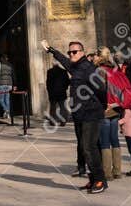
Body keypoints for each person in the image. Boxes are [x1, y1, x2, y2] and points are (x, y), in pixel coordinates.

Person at [43, 39, 107, 193]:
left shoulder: (89, 68)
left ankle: (100, 181)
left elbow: (101, 89)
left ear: (82, 52)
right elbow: (63, 60)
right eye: (70, 52)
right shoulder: (75, 67)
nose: (71, 54)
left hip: (91, 114)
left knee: (89, 147)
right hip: (79, 114)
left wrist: (103, 107)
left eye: (75, 51)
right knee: (84, 148)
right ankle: (92, 180)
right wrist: (50, 50)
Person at [96, 47, 128, 180]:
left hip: (105, 108)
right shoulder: (115, 69)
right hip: (116, 108)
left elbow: (99, 90)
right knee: (114, 139)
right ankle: (117, 171)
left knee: (105, 141)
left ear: (99, 56)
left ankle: (107, 173)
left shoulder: (99, 70)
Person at [46, 58, 70, 125]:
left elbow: (48, 83)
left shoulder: (49, 71)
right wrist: (65, 88)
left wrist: (49, 91)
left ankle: (52, 121)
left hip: (52, 92)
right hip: (62, 92)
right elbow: (67, 81)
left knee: (53, 107)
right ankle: (63, 121)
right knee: (63, 107)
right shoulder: (63, 71)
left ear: (53, 64)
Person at [0, 54, 14, 123]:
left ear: (1, 58)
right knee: (7, 99)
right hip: (9, 84)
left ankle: (6, 110)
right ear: (7, 58)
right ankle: (7, 114)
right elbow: (13, 74)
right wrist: (14, 84)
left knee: (1, 99)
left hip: (1, 84)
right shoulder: (10, 65)